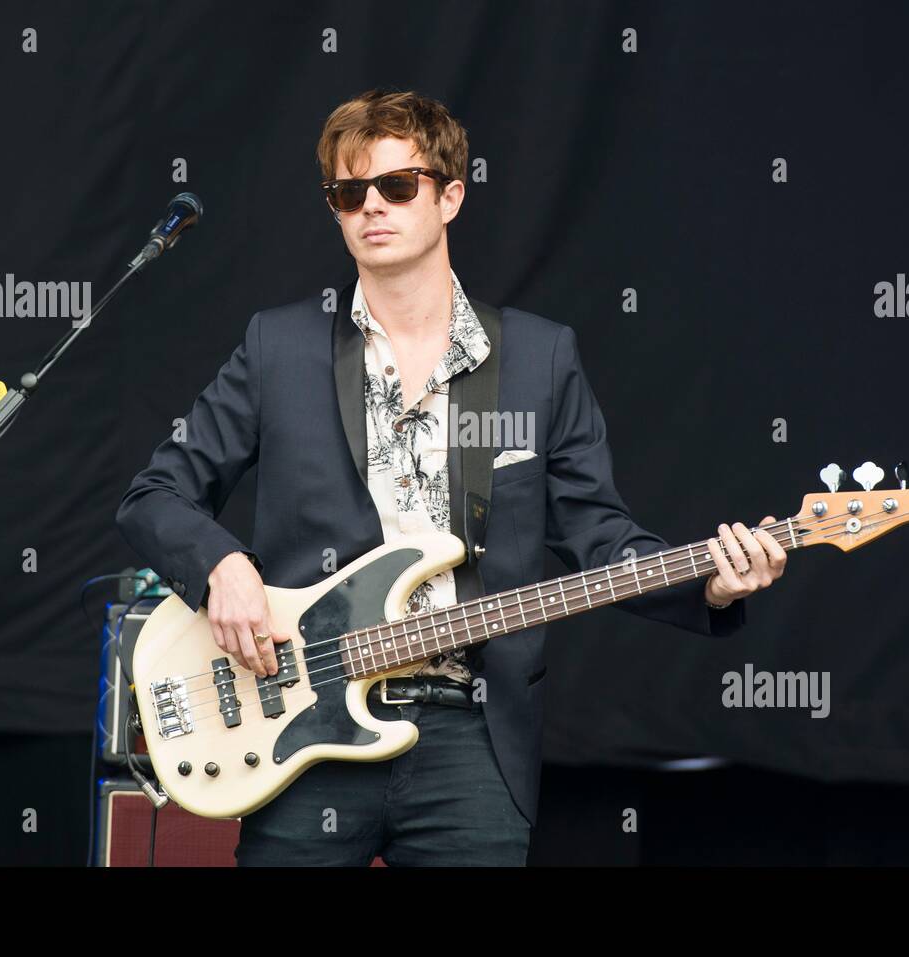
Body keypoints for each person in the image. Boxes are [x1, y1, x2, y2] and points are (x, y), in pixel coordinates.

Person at [115, 88, 787, 866]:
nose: (372, 207)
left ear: (451, 196)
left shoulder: (538, 360)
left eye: (398, 186)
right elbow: (154, 494)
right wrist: (221, 565)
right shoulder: (279, 347)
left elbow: (597, 535)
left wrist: (710, 582)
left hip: (471, 732)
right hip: (299, 725)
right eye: (348, 192)